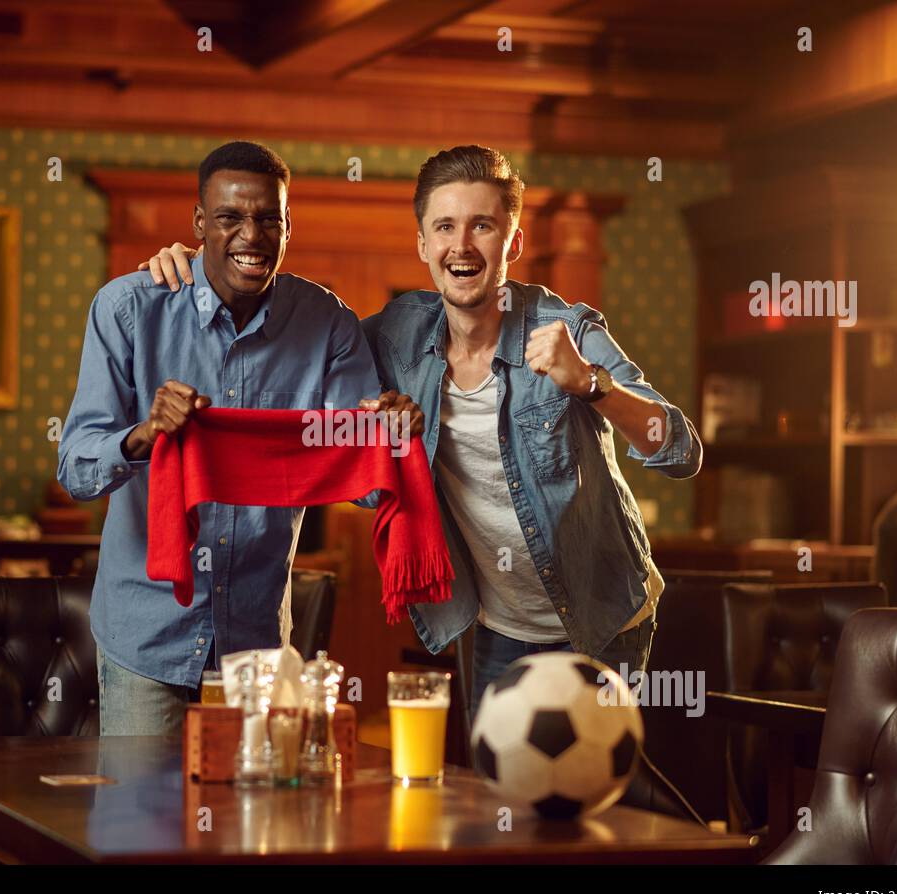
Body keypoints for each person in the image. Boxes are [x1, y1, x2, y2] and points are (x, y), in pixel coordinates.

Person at [141, 146, 701, 721]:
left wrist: (590, 383)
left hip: (601, 613)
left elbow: (679, 447)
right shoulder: (396, 336)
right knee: (496, 797)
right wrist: (204, 266)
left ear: (513, 242)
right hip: (495, 624)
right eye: (444, 227)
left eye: (482, 226)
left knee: (594, 794)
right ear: (423, 245)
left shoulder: (568, 331)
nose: (461, 246)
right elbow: (295, 333)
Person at [57, 141, 420, 738]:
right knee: (137, 827)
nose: (251, 235)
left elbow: (362, 482)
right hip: (145, 632)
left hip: (257, 641)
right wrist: (146, 435)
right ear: (200, 224)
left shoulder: (328, 323)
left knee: (256, 824)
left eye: (267, 218)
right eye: (229, 218)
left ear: (286, 225)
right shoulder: (127, 309)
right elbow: (75, 467)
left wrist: (389, 442)